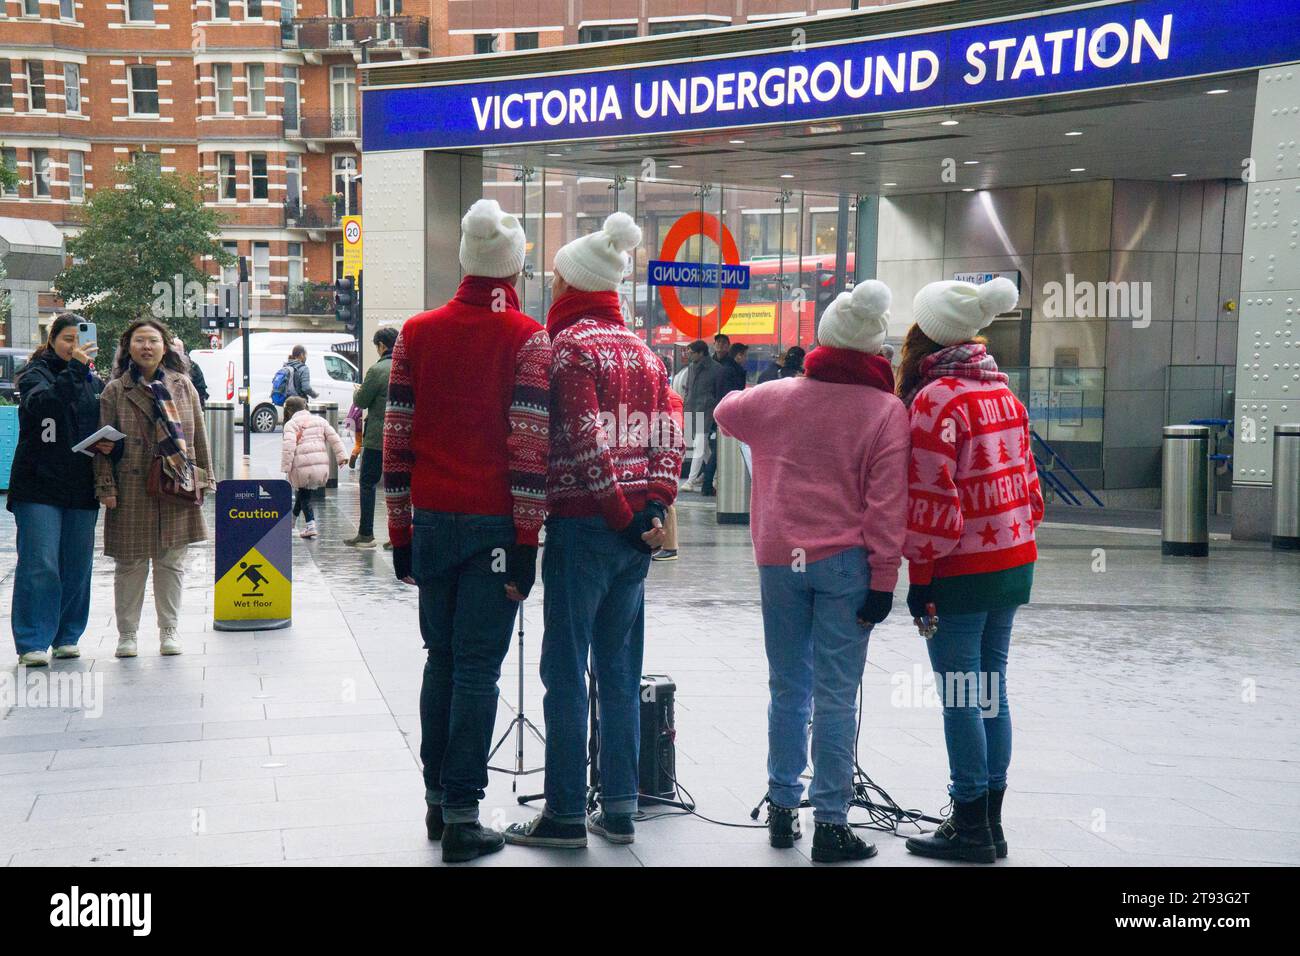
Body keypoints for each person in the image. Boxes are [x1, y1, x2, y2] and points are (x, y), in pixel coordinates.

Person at [504, 212, 683, 851]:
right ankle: (621, 807)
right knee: (619, 668)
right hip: (638, 540)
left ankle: (563, 812)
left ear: (573, 285)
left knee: (564, 670)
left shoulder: (571, 350)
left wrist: (616, 514)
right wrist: (653, 513)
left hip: (585, 529)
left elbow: (583, 443)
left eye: (554, 279)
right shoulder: (645, 352)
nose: (549, 287)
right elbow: (670, 438)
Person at [714, 280, 909, 862]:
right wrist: (884, 580)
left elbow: (724, 411)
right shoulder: (884, 409)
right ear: (874, 352)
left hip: (779, 563)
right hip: (846, 565)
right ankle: (830, 822)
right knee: (835, 694)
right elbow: (886, 505)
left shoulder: (774, 398)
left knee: (787, 686)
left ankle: (780, 806)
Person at [383, 198, 551, 863]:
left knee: (441, 659)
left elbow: (395, 438)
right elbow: (529, 448)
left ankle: (434, 799)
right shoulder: (526, 337)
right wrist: (526, 545)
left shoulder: (417, 333)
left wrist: (400, 531)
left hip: (431, 522)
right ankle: (463, 813)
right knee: (479, 667)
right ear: (511, 268)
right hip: (492, 527)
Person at [895, 277, 1043, 864]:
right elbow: (1032, 489)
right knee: (990, 691)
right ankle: (992, 823)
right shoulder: (1004, 393)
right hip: (1013, 560)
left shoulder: (937, 400)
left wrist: (920, 577)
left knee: (961, 694)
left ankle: (970, 824)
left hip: (960, 568)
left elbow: (932, 499)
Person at [95, 318, 215, 659]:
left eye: (153, 341)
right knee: (129, 564)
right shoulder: (115, 390)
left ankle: (169, 630)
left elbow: (199, 438)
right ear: (128, 347)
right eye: (139, 341)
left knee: (171, 562)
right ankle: (128, 634)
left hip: (176, 484)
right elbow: (100, 444)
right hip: (130, 486)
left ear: (165, 347)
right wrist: (105, 485)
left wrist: (204, 479)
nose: (146, 347)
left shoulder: (183, 386)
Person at [7, 314, 113, 667]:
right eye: (67, 339)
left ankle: (68, 635)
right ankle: (32, 640)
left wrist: (112, 446)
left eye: (79, 339)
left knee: (77, 565)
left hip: (81, 485)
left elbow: (103, 423)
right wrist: (75, 369)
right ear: (52, 340)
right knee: (41, 563)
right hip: (38, 485)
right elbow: (44, 406)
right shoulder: (35, 373)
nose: (74, 346)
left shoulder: (93, 381)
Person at [344, 326, 397, 548]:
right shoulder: (406, 366)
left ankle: (366, 534)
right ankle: (399, 537)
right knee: (400, 486)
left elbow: (362, 401)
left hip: (378, 437)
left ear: (382, 346)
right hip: (402, 435)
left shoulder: (377, 370)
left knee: (368, 482)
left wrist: (357, 390)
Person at [280, 395, 347, 539]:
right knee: (304, 493)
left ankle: (310, 524)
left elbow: (288, 447)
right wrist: (342, 457)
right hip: (321, 465)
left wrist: (286, 468)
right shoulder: (320, 420)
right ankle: (291, 520)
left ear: (289, 411)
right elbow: (335, 439)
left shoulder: (291, 424)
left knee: (303, 495)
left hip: (302, 466)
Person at [678, 339, 721, 493]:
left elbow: (718, 392)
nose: (689, 355)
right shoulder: (691, 368)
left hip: (705, 410)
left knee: (698, 445)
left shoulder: (716, 369)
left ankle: (690, 480)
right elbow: (688, 388)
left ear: (700, 353)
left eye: (691, 353)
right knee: (704, 447)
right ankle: (715, 475)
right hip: (692, 408)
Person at [653, 354, 684, 562]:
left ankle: (670, 547)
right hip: (662, 450)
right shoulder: (663, 392)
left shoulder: (669, 396)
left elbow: (674, 427)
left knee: (667, 500)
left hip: (665, 452)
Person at [173, 337, 208, 408]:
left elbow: (200, 390)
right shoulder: (163, 366)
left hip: (189, 405)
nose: (176, 351)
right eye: (174, 347)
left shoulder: (193, 367)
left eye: (179, 348)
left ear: (183, 350)